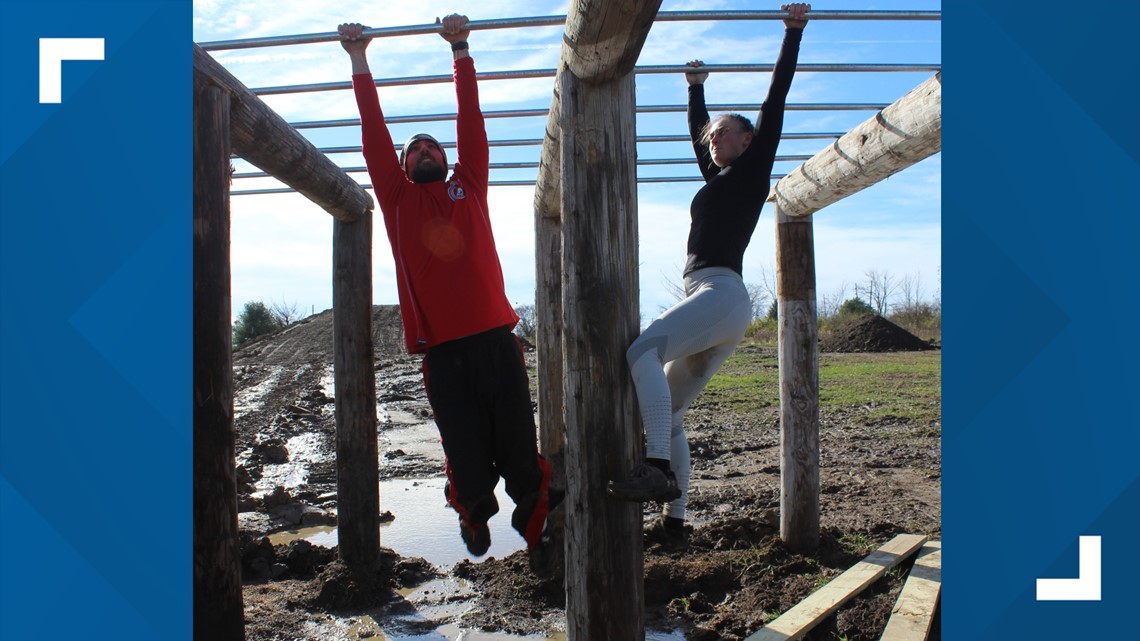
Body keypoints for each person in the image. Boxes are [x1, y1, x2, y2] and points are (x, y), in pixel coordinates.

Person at [338, 15, 559, 572]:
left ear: (447, 157)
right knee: (464, 449)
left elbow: (472, 121)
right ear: (404, 168)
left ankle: (536, 529)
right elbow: (373, 132)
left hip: (497, 341)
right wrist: (358, 58)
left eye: (431, 145)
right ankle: (474, 511)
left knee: (517, 441)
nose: (423, 151)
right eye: (413, 151)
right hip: (444, 355)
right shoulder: (396, 199)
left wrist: (460, 49)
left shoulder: (470, 184)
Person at [607, 4, 811, 547]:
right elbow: (700, 133)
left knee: (639, 353)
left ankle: (655, 468)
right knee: (668, 412)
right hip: (716, 300)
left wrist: (792, 33)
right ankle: (675, 523)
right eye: (713, 135)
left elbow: (776, 99)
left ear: (749, 141)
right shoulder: (721, 179)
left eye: (726, 133)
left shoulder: (752, 170)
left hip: (722, 291)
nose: (715, 139)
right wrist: (695, 88)